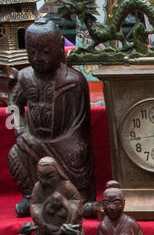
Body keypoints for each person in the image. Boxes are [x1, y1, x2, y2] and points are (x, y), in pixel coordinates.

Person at [7, 18, 95, 216]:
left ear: (59, 48)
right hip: (34, 138)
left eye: (45, 52)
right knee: (15, 153)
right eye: (32, 52)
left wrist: (64, 144)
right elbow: (12, 107)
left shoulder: (73, 81)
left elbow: (79, 126)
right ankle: (32, 196)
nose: (38, 57)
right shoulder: (24, 77)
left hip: (65, 142)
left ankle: (79, 196)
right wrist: (20, 130)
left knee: (78, 152)